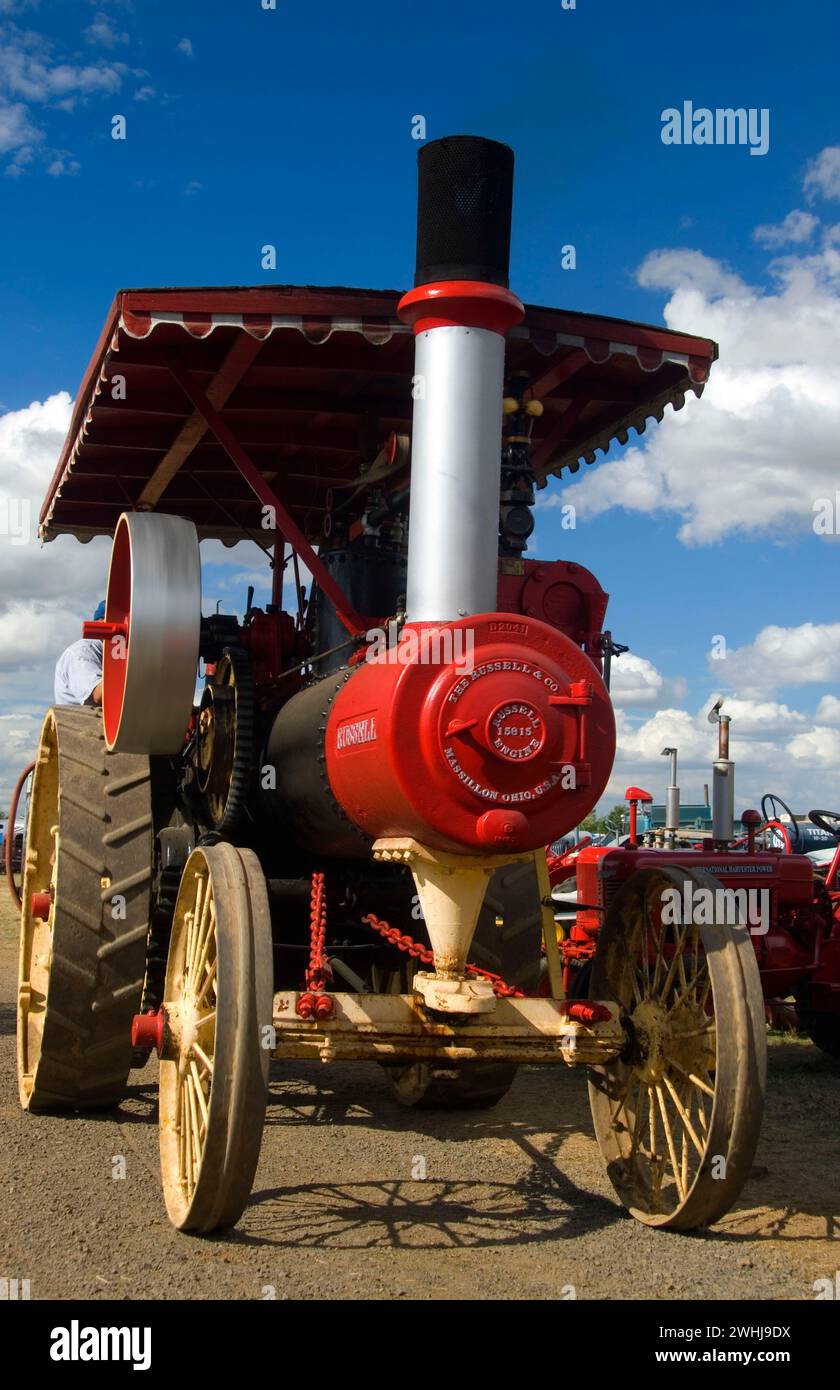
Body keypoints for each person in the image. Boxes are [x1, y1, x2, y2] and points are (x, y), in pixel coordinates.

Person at [54, 602, 105, 707]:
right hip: (79, 720)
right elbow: (99, 695)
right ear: (101, 622)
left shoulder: (113, 654)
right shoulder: (82, 651)